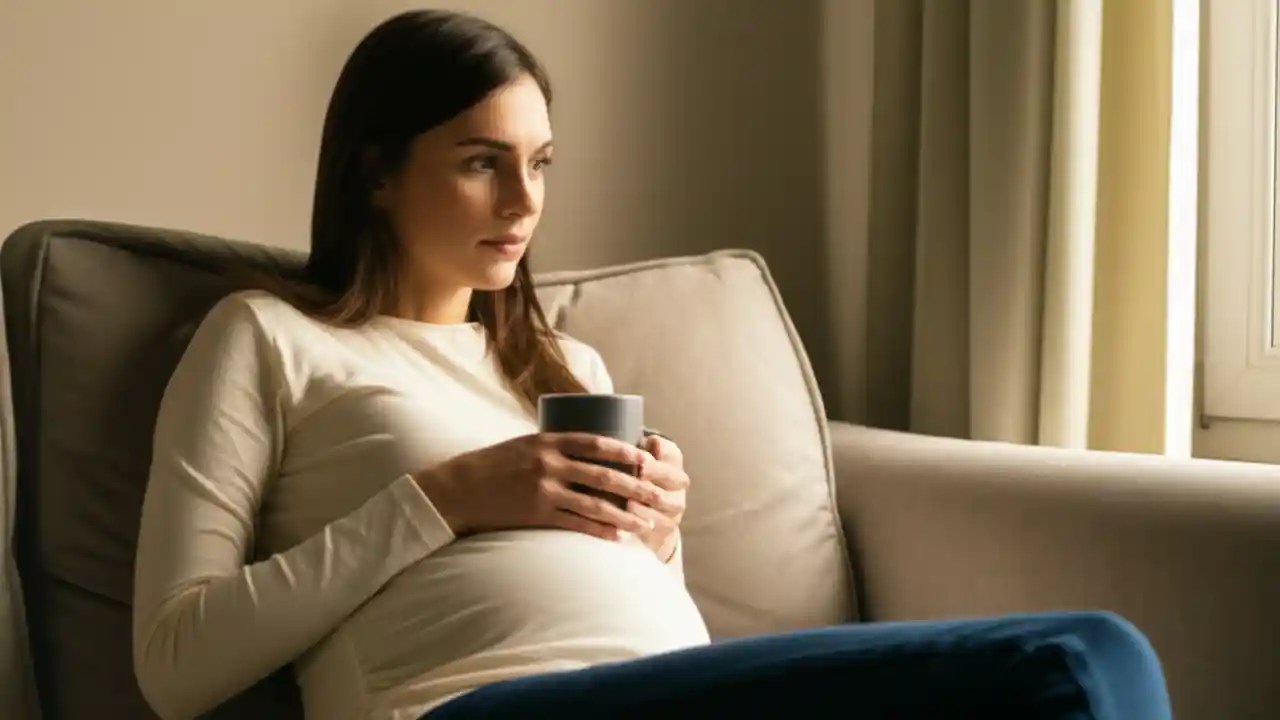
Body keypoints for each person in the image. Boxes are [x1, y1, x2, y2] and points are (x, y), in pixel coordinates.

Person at [131, 9, 1173, 720]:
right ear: (375, 172)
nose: (522, 202)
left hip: (659, 686)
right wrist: (441, 498)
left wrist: (659, 536)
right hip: (463, 703)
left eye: (537, 163)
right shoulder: (268, 340)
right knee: (1074, 664)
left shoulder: (559, 362)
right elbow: (175, 666)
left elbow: (625, 609)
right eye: (479, 161)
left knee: (1100, 662)